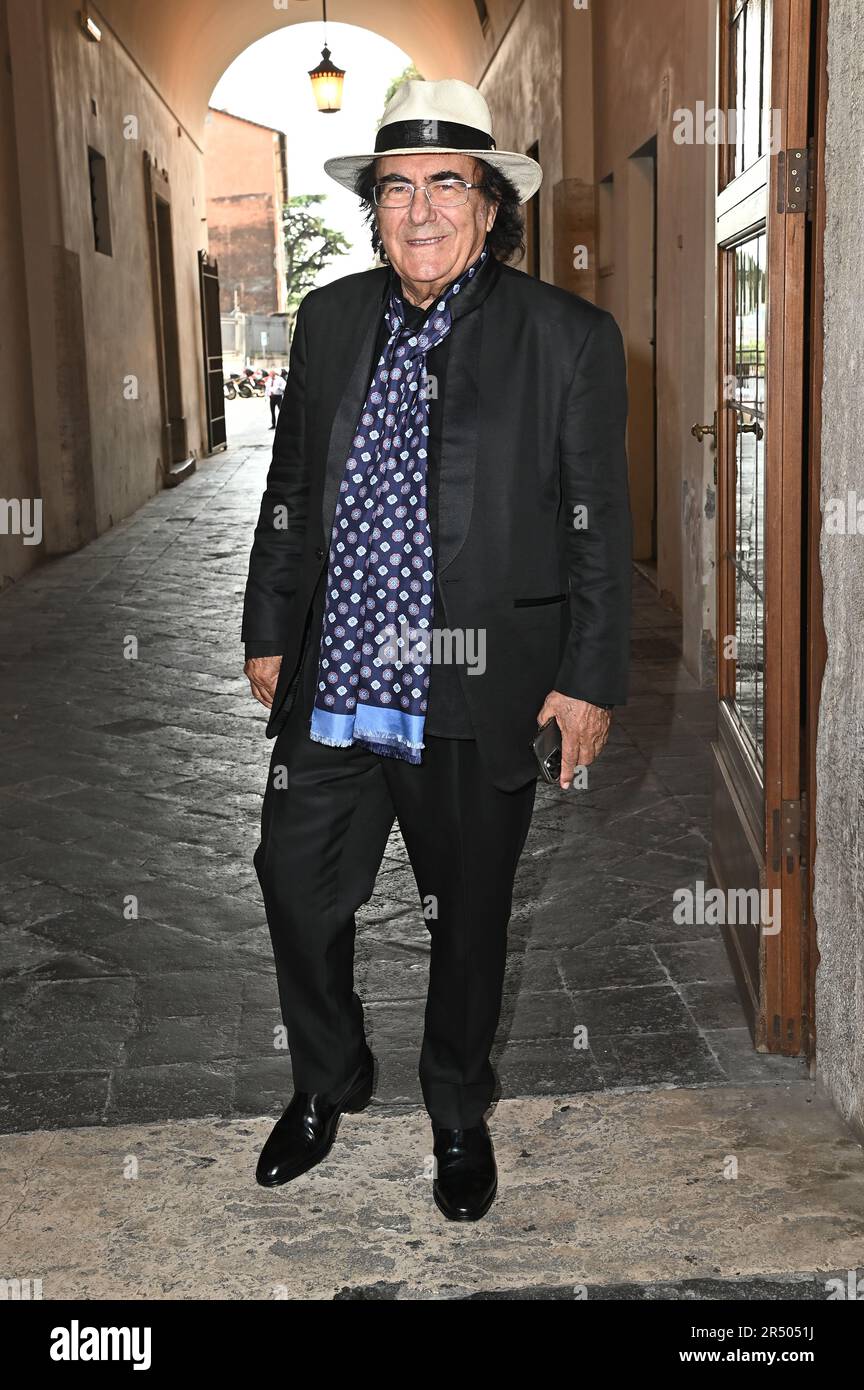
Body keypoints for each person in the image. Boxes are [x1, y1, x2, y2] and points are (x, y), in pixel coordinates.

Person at [241, 78, 632, 1221]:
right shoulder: (329, 319)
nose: (418, 211)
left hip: (479, 678)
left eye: (445, 185)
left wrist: (589, 677)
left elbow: (597, 524)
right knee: (292, 883)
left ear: (492, 206)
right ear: (375, 207)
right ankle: (328, 1077)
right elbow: (293, 485)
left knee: (469, 913)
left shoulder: (568, 339)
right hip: (341, 669)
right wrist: (272, 621)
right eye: (395, 188)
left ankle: (457, 1108)